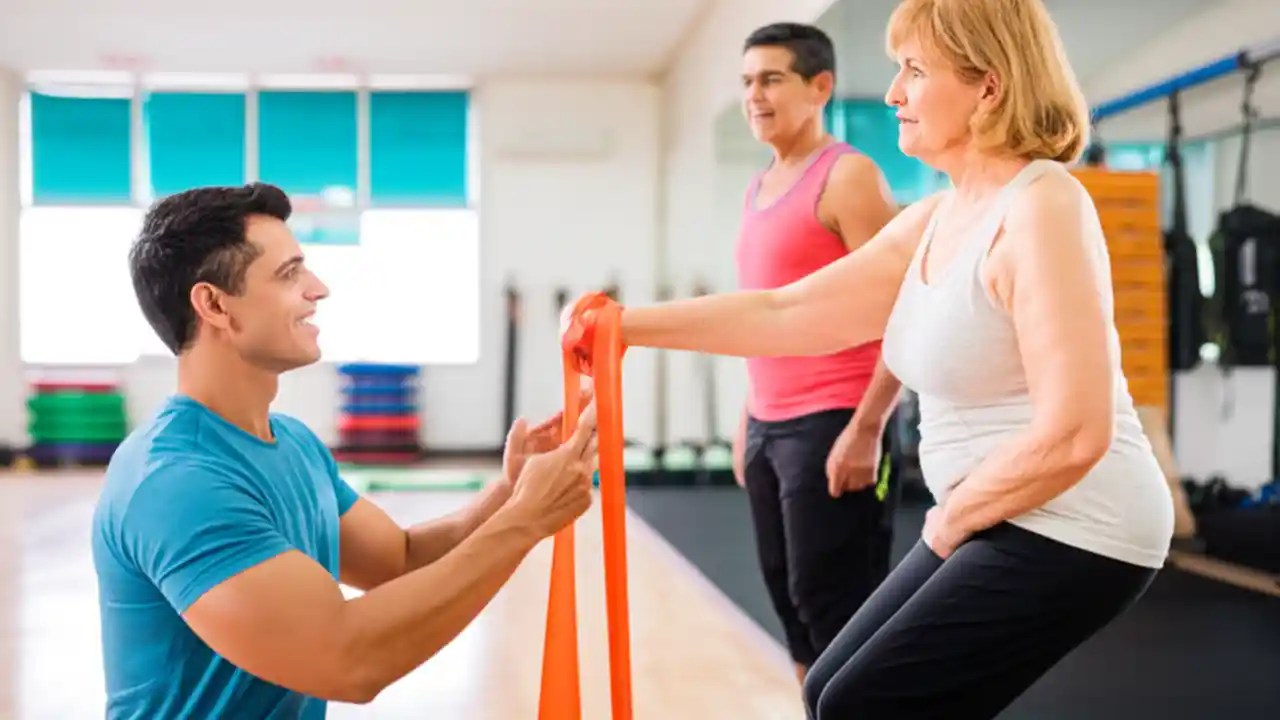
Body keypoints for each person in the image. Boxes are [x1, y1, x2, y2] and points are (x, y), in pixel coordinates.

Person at [566, 0, 1175, 716]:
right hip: (994, 510)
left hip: (1078, 524)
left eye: (914, 71)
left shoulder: (1042, 207)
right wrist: (624, 327)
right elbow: (785, 311)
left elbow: (1077, 433)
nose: (893, 94)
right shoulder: (935, 218)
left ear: (989, 86)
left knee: (861, 702)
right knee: (827, 688)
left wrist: (952, 518)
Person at [91, 183, 599, 719]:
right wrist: (524, 520)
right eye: (289, 274)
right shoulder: (175, 481)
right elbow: (347, 661)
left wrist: (507, 494)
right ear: (214, 304)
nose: (318, 288)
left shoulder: (293, 444)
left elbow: (397, 561)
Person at [733, 22, 904, 685]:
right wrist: (748, 414)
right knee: (790, 604)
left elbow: (902, 313)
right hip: (768, 427)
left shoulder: (849, 177)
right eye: (748, 82)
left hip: (836, 418)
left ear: (819, 86)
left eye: (772, 79)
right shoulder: (758, 187)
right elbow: (761, 315)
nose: (756, 95)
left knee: (838, 608)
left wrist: (869, 427)